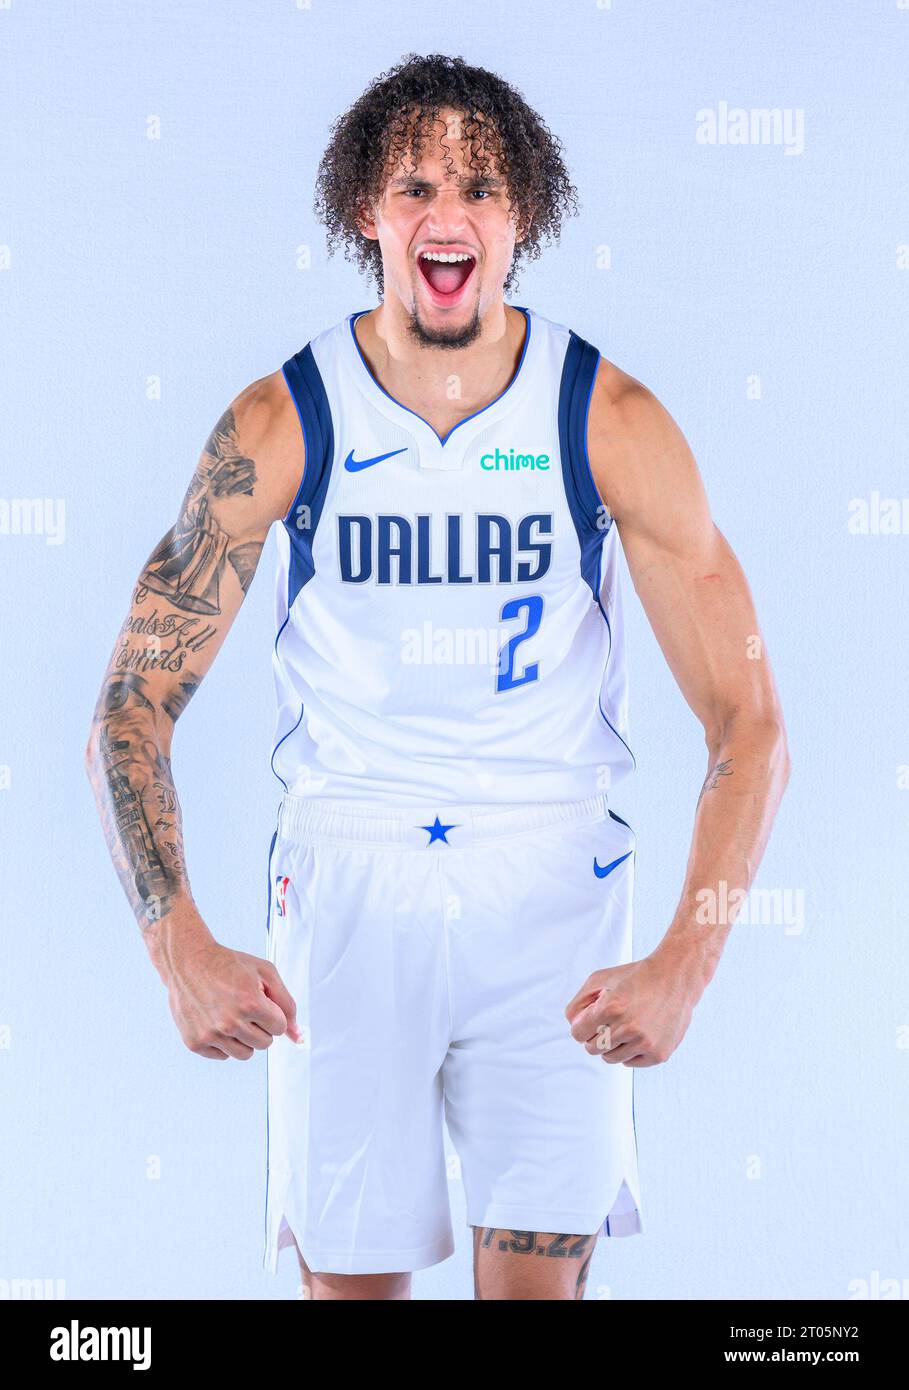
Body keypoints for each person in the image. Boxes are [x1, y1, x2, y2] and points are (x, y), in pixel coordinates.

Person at [86, 53, 790, 1301]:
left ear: (524, 214)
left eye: (479, 186)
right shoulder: (283, 422)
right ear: (368, 211)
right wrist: (175, 946)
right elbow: (130, 705)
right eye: (415, 185)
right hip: (351, 886)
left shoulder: (606, 417)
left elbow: (750, 723)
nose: (447, 213)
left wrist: (689, 959)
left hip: (551, 888)